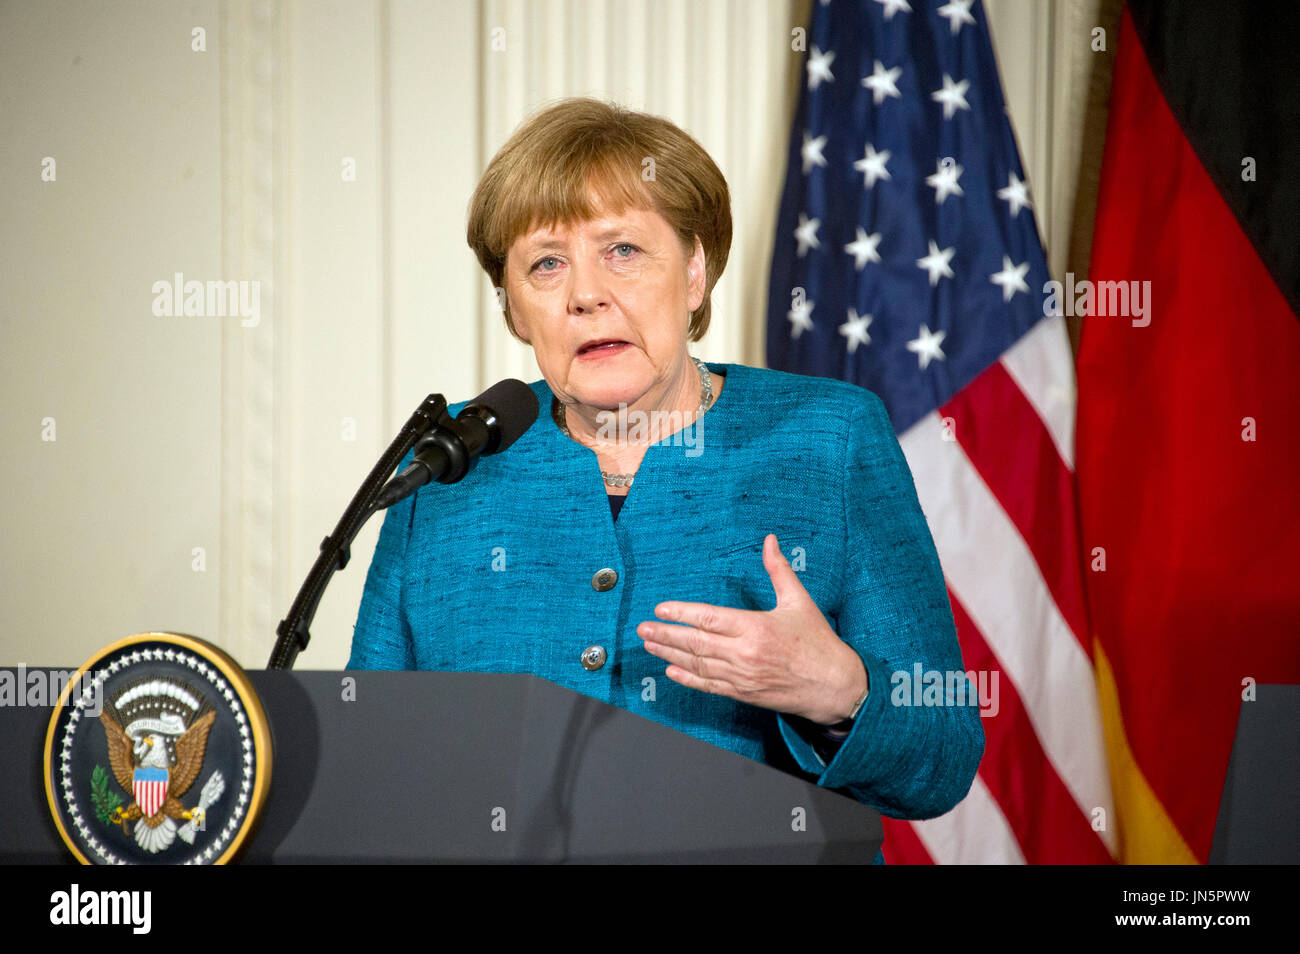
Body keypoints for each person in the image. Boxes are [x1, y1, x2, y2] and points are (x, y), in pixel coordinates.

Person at [348, 97, 984, 859]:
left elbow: (942, 760)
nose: (585, 293)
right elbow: (367, 759)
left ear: (693, 272)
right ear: (515, 311)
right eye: (546, 263)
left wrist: (839, 690)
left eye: (621, 250)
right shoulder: (449, 462)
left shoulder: (831, 437)